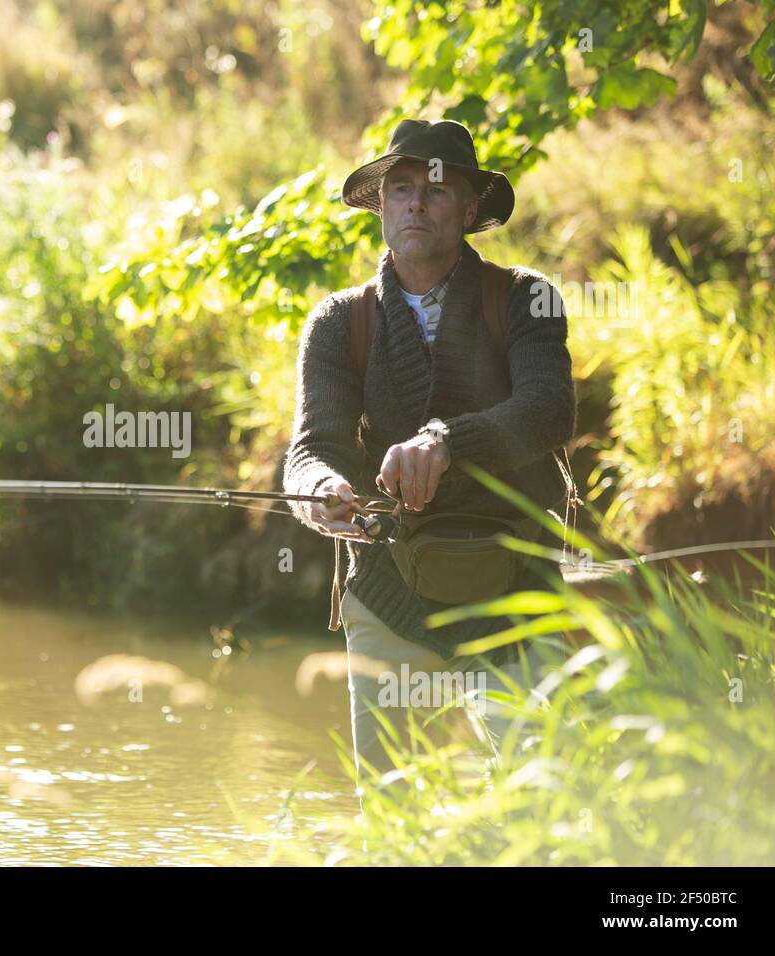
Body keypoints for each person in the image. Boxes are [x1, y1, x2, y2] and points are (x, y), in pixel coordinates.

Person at [282, 119, 576, 778]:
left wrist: (446, 443)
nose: (417, 202)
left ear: (470, 209)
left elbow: (548, 410)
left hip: (517, 592)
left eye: (437, 190)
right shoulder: (337, 321)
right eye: (402, 188)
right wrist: (319, 492)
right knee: (391, 815)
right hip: (386, 595)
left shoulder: (529, 297)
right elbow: (312, 448)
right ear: (381, 206)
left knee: (540, 805)